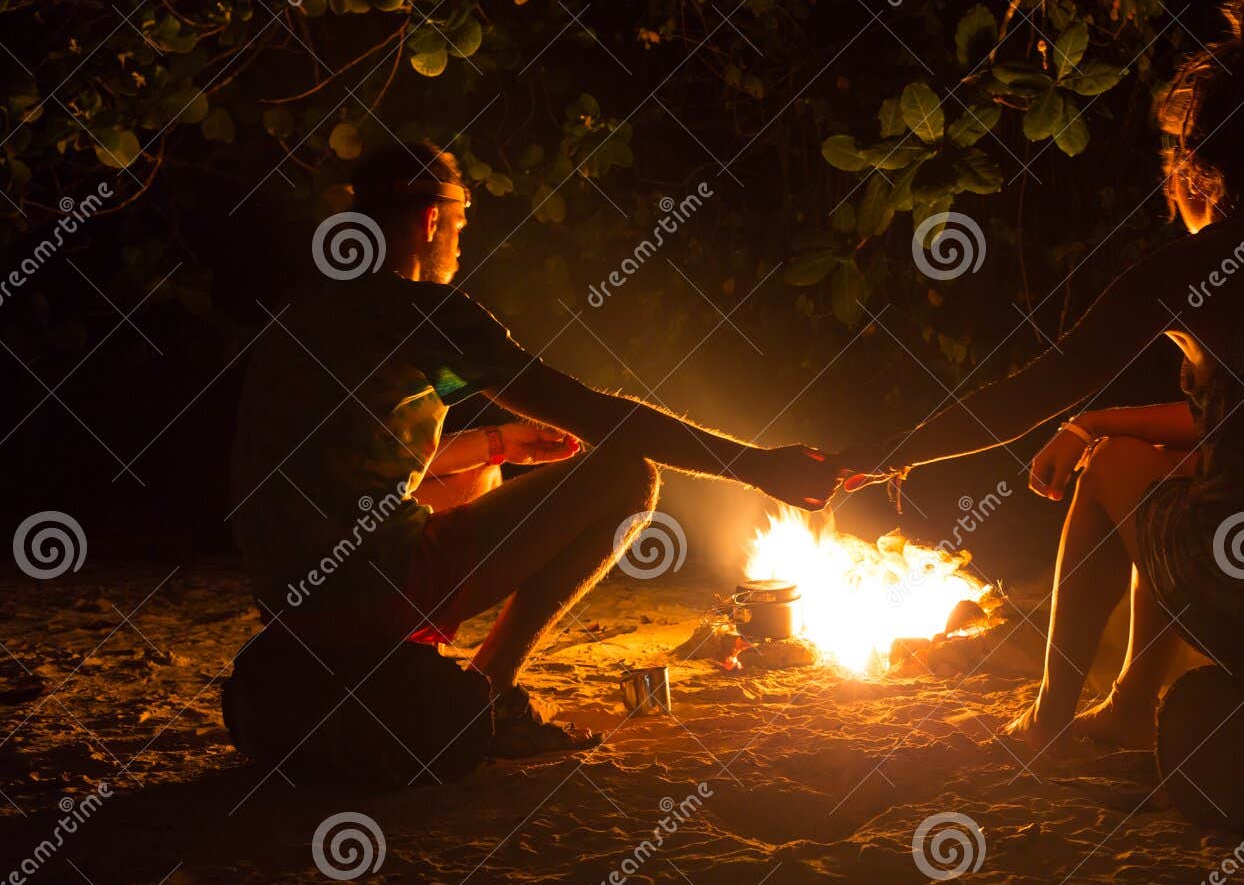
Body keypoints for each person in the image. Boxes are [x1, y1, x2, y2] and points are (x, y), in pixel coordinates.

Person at [839, 0, 1244, 752]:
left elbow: (1033, 391)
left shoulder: (1194, 269)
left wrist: (892, 452)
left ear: (1191, 167)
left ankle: (1049, 721)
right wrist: (1092, 419)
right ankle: (1128, 702)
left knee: (1112, 467)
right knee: (1171, 469)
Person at [223, 142, 838, 786]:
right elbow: (596, 414)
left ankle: (383, 668)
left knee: (480, 473)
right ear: (431, 219)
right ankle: (493, 692)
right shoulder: (420, 314)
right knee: (628, 477)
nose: (459, 245)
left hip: (290, 602)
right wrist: (756, 465)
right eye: (461, 224)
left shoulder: (309, 315)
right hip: (368, 586)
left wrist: (500, 444)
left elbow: (368, 461)